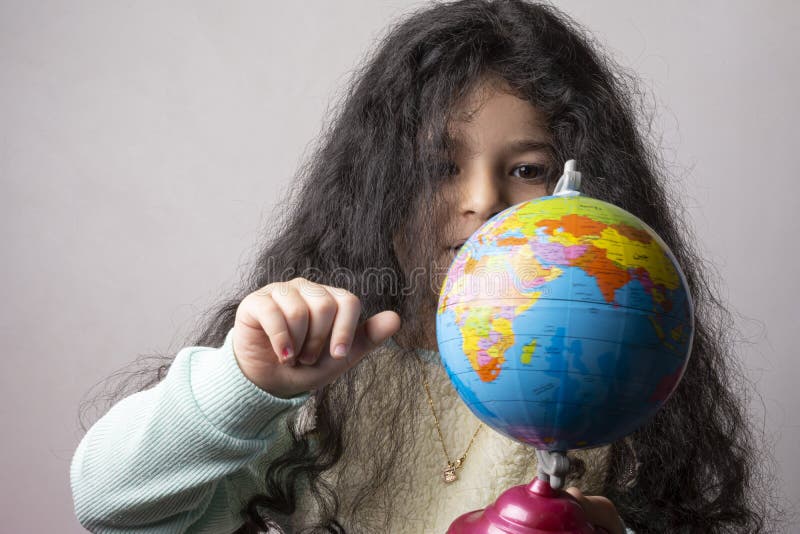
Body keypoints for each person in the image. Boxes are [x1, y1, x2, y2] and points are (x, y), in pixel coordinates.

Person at [70, 1, 776, 532]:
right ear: (379, 188)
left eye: (528, 168)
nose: (482, 202)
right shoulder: (314, 371)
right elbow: (110, 504)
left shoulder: (623, 370)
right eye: (440, 168)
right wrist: (246, 385)